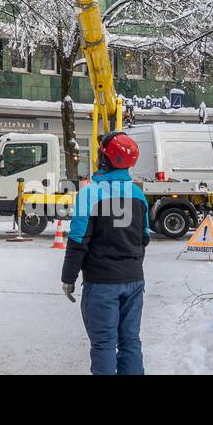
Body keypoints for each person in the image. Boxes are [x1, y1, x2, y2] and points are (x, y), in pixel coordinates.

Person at [60, 130, 150, 375]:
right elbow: (144, 238)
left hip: (101, 284)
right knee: (130, 340)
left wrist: (68, 278)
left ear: (104, 160)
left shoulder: (91, 193)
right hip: (134, 281)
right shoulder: (139, 196)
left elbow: (78, 240)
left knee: (103, 344)